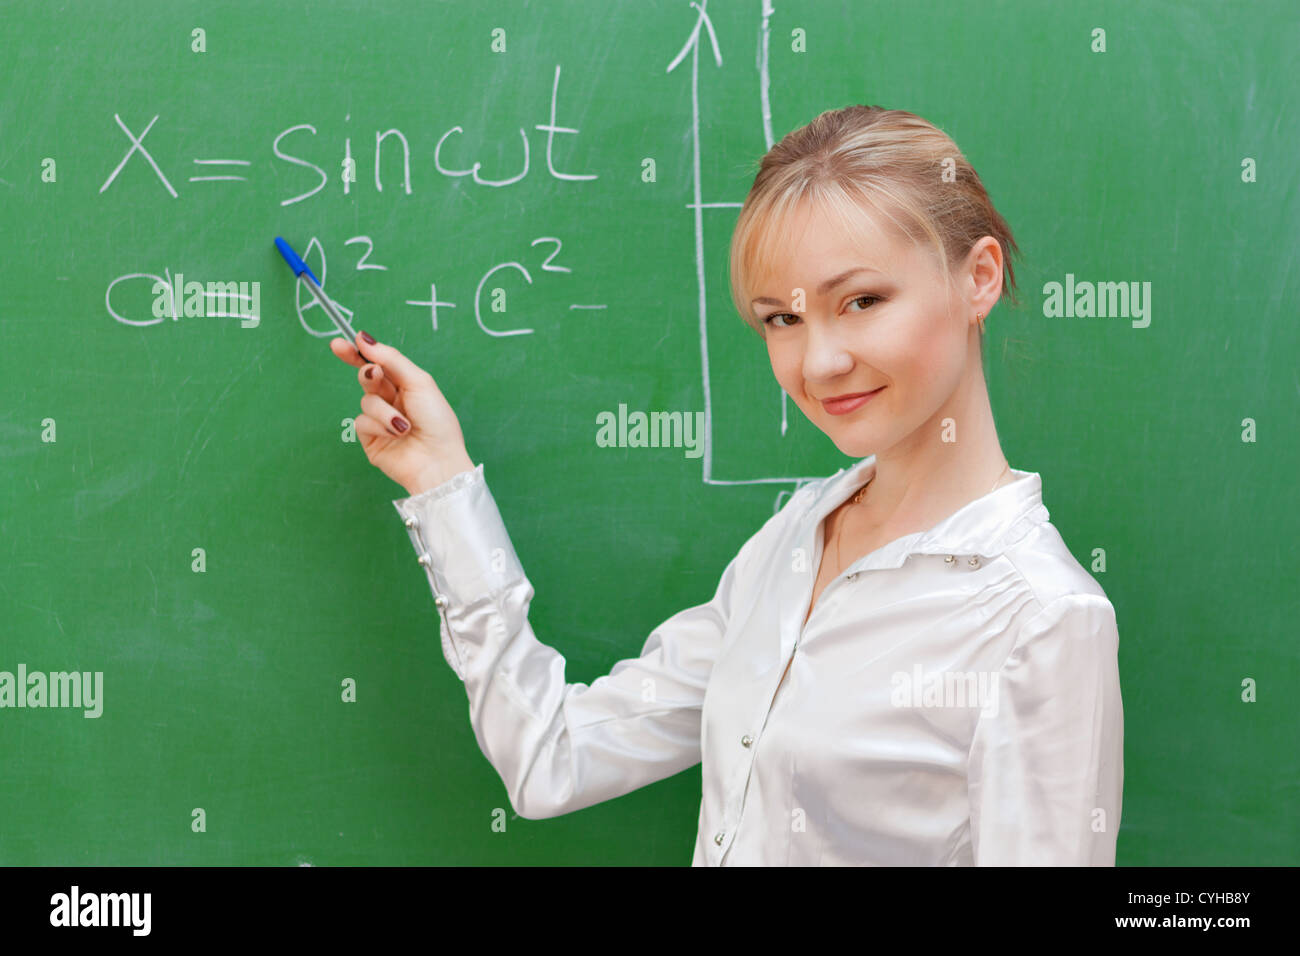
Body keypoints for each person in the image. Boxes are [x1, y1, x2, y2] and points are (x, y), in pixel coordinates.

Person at [328, 105, 1124, 866]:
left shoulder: (1042, 620)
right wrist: (441, 482)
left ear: (978, 278)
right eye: (783, 318)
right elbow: (554, 758)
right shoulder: (799, 535)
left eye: (863, 302)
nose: (819, 363)